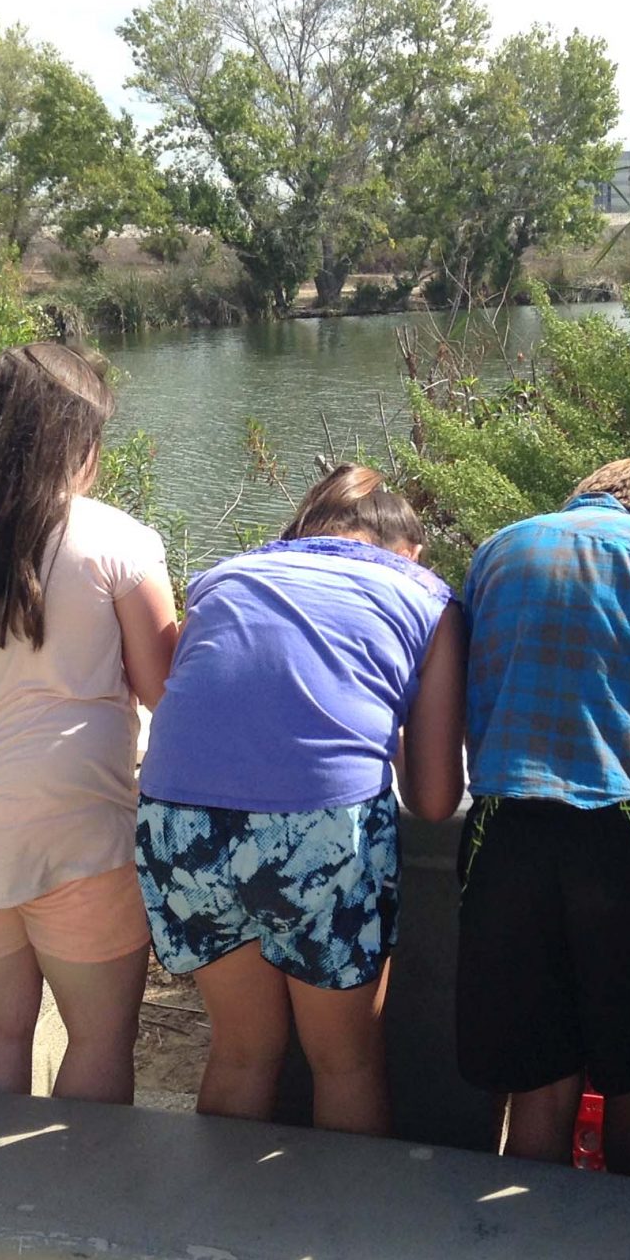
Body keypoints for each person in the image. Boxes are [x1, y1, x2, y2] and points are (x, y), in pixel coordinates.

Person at [136, 464, 464, 1135]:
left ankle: (219, 1234)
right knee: (343, 1064)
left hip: (175, 815)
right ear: (405, 548)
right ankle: (338, 1236)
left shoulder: (225, 576)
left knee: (240, 1051)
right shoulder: (426, 595)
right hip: (317, 826)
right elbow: (433, 800)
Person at [0, 343, 177, 1101]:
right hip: (70, 820)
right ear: (76, 442)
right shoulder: (116, 540)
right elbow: (164, 690)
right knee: (98, 1033)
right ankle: (74, 1204)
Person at [455, 459, 630, 1180]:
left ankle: (523, 1259)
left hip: (503, 830)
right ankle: (626, 1254)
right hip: (618, 834)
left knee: (539, 1080)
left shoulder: (499, 547)